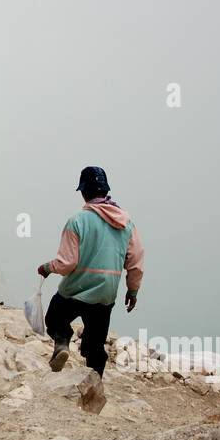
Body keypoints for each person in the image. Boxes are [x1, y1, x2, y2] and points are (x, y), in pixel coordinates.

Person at [37, 166, 144, 413]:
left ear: (83, 193)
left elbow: (67, 263)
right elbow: (135, 261)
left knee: (54, 319)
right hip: (106, 293)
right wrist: (133, 290)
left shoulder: (77, 221)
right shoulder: (126, 223)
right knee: (95, 345)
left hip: (77, 287)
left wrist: (46, 267)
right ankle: (94, 391)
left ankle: (62, 343)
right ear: (105, 190)